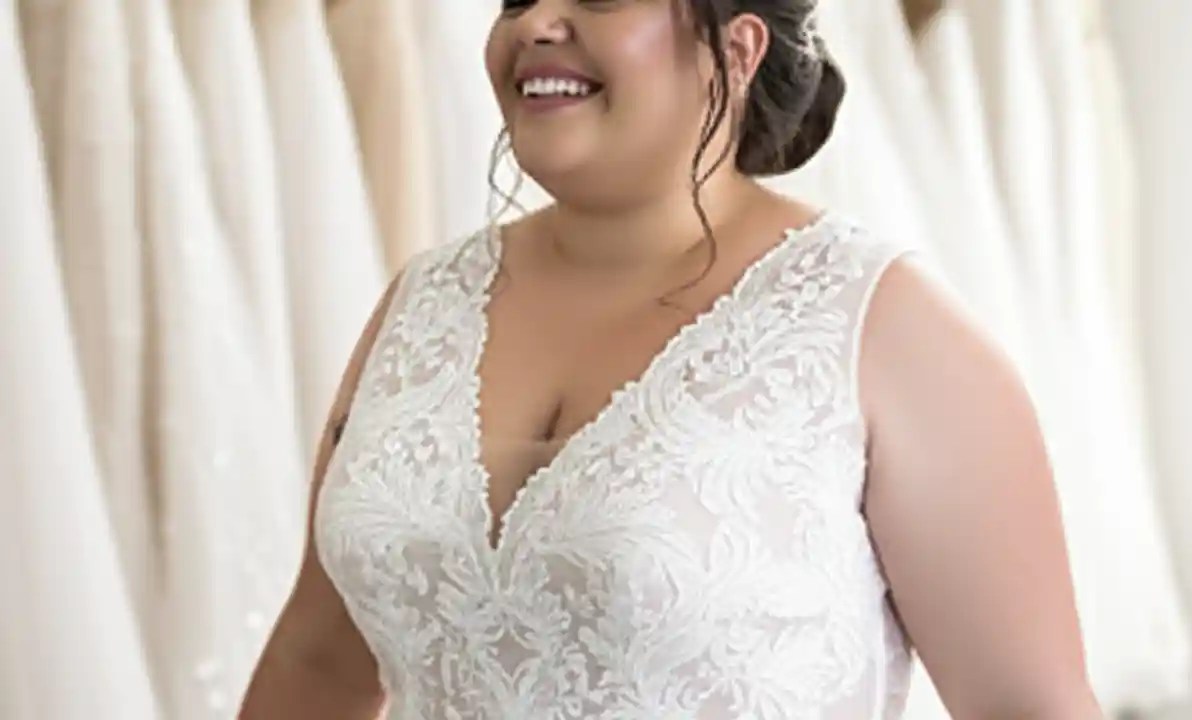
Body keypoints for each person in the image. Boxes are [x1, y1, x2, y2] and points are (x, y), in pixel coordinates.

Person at [239, 1, 1102, 717]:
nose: (535, 21)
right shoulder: (420, 301)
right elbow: (317, 664)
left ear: (735, 47)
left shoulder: (882, 326)